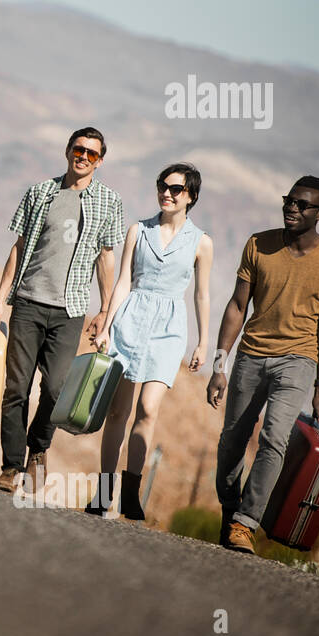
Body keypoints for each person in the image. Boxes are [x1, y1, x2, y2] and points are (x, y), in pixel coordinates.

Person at [209, 176, 319, 554]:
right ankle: (229, 508)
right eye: (289, 200)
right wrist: (219, 365)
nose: (292, 208)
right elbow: (237, 306)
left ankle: (245, 523)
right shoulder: (259, 244)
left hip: (299, 359)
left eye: (302, 205)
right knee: (232, 441)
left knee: (274, 438)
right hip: (251, 354)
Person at [0, 129, 125, 494]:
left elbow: (106, 258)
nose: (84, 157)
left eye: (92, 154)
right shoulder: (40, 193)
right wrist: (0, 298)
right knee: (16, 387)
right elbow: (17, 248)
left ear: (100, 161)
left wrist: (105, 310)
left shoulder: (109, 202)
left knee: (57, 387)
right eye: (79, 150)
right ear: (67, 151)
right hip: (29, 302)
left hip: (71, 309)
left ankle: (39, 449)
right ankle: (11, 467)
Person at [88, 164, 213, 519]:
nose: (167, 193)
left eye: (175, 189)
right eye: (162, 186)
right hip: (131, 319)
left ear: (191, 197)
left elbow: (201, 295)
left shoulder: (202, 243)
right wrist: (107, 325)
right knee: (117, 410)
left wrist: (204, 342)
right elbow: (124, 281)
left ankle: (131, 493)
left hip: (169, 329)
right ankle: (103, 493)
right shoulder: (137, 231)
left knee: (148, 408)